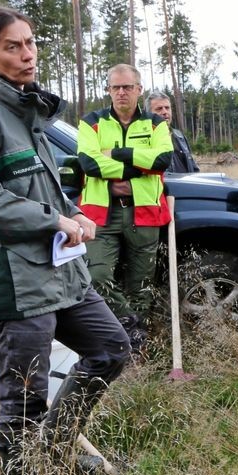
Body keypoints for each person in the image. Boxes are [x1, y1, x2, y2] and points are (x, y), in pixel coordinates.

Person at [0, 6, 129, 475]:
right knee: (24, 399)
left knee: (110, 349)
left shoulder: (26, 112)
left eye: (30, 42)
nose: (28, 54)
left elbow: (41, 190)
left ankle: (55, 448)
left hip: (60, 273)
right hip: (15, 279)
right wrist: (54, 220)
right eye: (13, 46)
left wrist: (74, 213)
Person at [77, 64, 173, 353]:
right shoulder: (91, 123)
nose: (121, 92)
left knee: (141, 285)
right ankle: (128, 326)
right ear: (108, 90)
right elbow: (89, 164)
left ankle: (135, 348)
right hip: (100, 215)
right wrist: (137, 168)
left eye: (128, 87)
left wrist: (118, 154)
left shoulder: (155, 124)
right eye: (116, 87)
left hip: (144, 212)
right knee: (97, 278)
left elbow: (162, 160)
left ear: (138, 90)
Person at [146, 89, 200, 174]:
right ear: (148, 114)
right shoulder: (144, 138)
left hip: (185, 182)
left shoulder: (180, 136)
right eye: (159, 109)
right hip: (165, 183)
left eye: (167, 108)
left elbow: (193, 168)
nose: (165, 112)